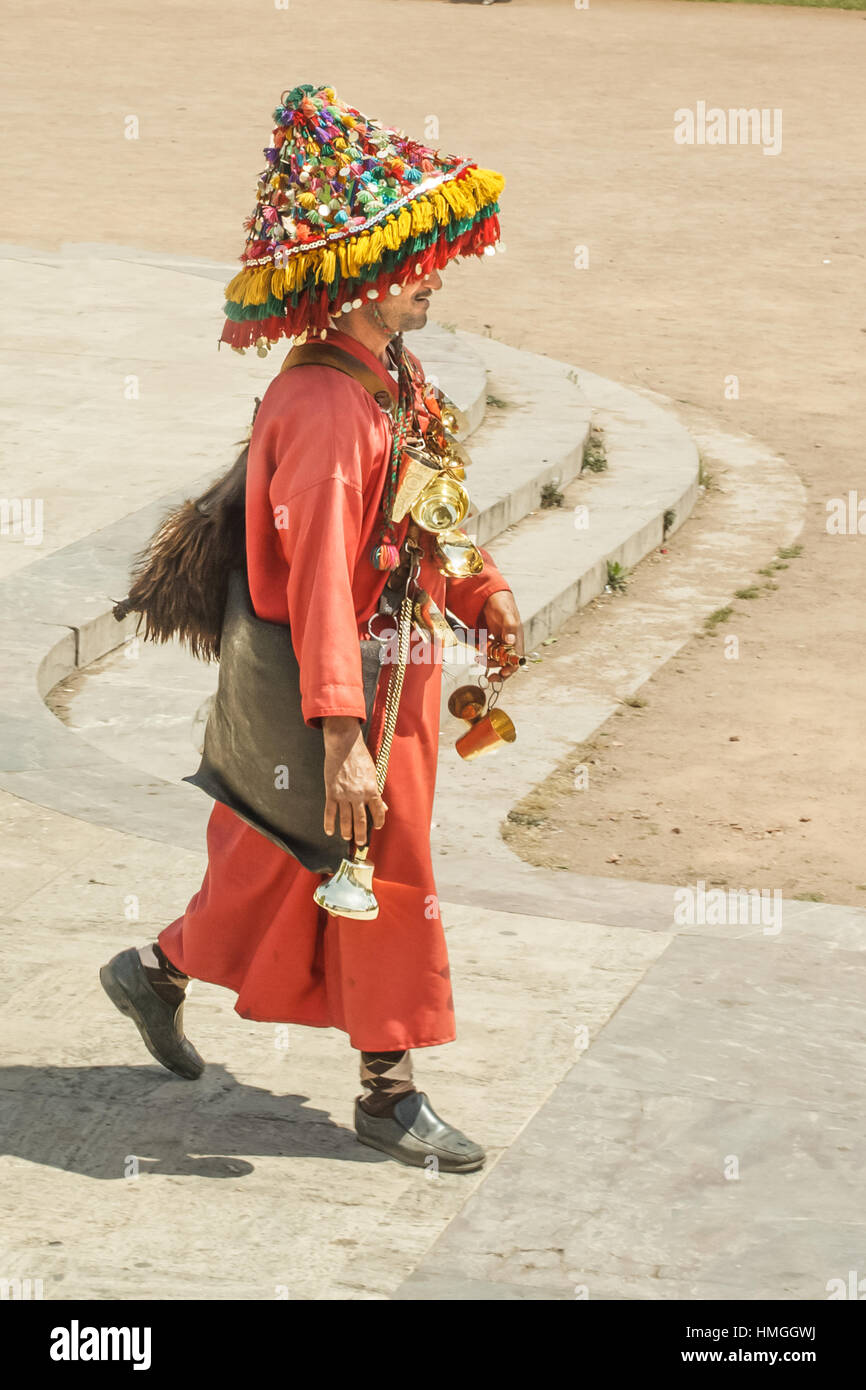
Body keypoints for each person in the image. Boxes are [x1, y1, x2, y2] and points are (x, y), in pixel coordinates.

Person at [100, 84, 523, 1174]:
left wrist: (482, 596)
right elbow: (326, 584)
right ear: (367, 275)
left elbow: (426, 512)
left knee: (277, 866)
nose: (437, 269)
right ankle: (388, 1094)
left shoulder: (389, 376)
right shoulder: (331, 411)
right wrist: (343, 735)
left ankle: (156, 974)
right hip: (348, 690)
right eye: (418, 254)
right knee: (378, 869)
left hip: (387, 675)